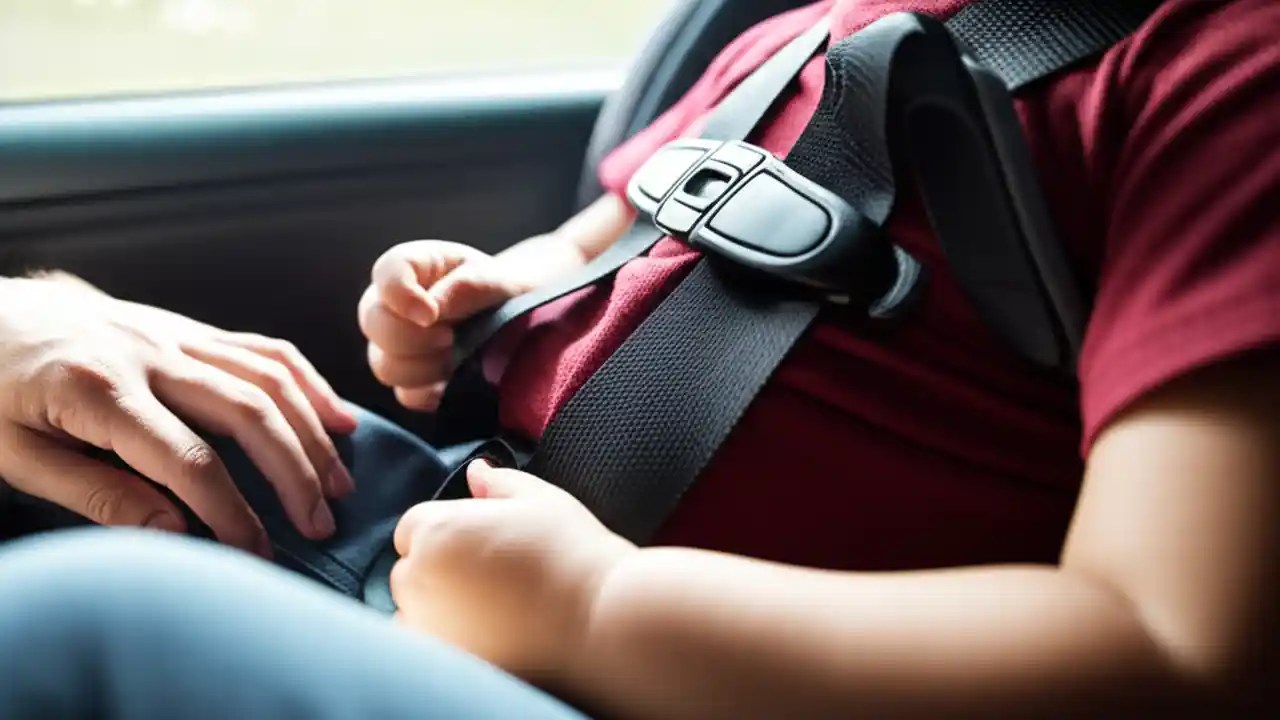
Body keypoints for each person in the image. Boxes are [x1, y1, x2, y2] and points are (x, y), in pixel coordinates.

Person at [1, 0, 1277, 717]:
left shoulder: (1228, 75)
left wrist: (601, 613)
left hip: (680, 665)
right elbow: (622, 234)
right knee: (104, 433)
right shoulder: (807, 28)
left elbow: (1174, 654)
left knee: (88, 626)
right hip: (467, 525)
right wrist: (490, 288)